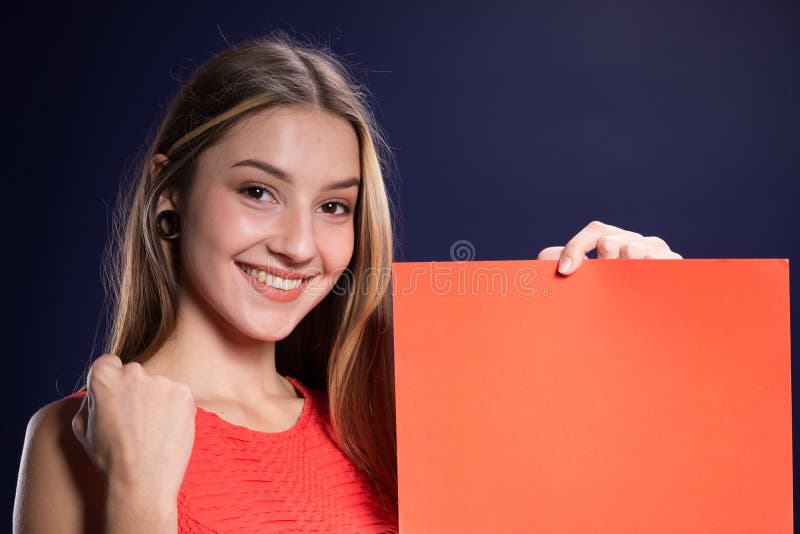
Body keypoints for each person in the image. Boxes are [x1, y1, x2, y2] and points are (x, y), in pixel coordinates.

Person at [13, 31, 682, 534]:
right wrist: (139, 495)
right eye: (258, 191)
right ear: (171, 197)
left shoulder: (379, 419)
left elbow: (625, 501)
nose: (300, 245)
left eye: (334, 206)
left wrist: (656, 322)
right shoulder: (76, 436)